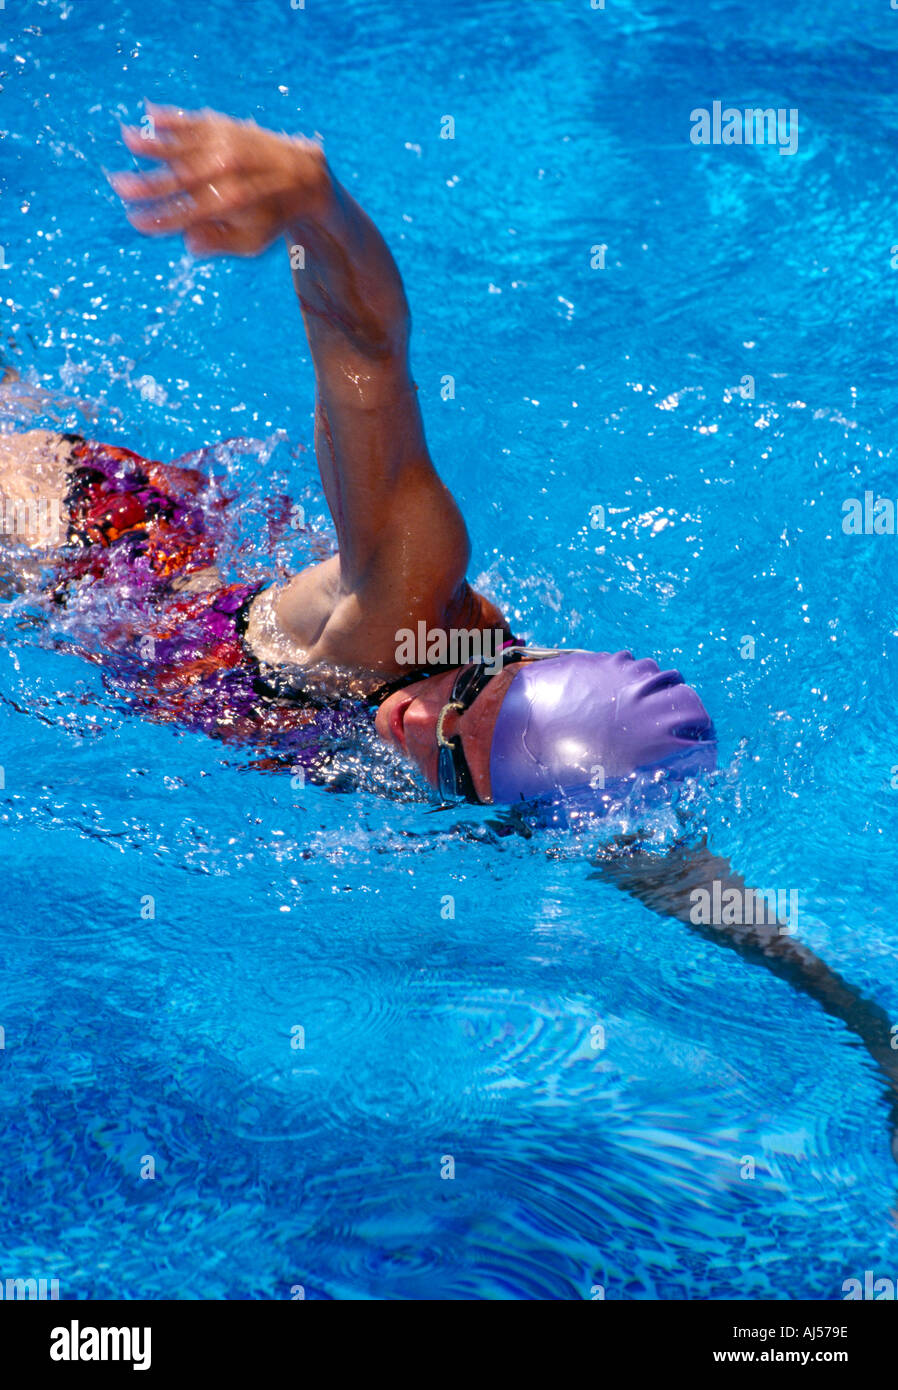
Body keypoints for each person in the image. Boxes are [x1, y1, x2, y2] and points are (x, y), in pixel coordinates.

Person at [2, 104, 896, 1157]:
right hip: (85, 544)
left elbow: (688, 885)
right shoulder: (406, 610)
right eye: (457, 702)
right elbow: (366, 352)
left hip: (185, 559)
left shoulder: (546, 784)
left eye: (456, 773)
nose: (413, 726)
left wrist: (869, 1030)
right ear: (509, 665)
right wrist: (314, 204)